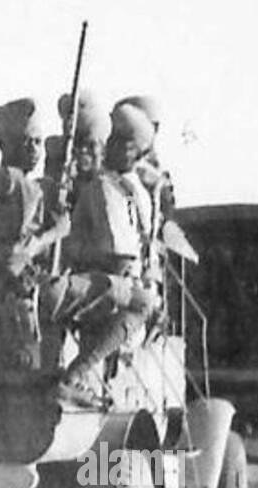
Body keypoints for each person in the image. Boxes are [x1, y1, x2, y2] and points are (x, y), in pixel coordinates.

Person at [46, 101, 160, 405]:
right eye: (113, 139)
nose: (113, 146)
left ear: (138, 152)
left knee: (137, 300)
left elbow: (128, 252)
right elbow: (119, 255)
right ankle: (75, 376)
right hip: (85, 281)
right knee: (142, 303)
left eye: (124, 142)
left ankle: (84, 378)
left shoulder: (125, 188)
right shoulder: (107, 186)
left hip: (104, 280)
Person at [0, 97, 69, 367]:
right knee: (21, 367)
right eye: (27, 142)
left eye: (37, 142)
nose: (35, 150)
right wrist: (56, 232)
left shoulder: (2, 181)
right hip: (7, 297)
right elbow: (17, 252)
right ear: (5, 146)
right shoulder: (13, 181)